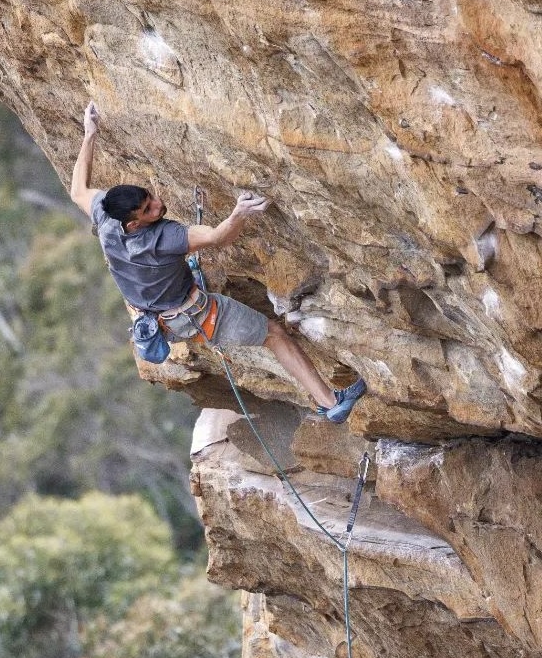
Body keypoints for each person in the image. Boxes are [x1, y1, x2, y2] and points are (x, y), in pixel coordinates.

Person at [68, 102, 367, 424]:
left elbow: (77, 191)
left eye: (149, 197)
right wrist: (239, 214)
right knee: (274, 334)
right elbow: (215, 238)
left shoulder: (107, 220)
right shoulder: (161, 238)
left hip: (155, 314)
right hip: (193, 314)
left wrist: (90, 133)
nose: (157, 204)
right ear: (134, 224)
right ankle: (330, 402)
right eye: (148, 210)